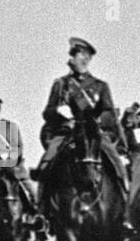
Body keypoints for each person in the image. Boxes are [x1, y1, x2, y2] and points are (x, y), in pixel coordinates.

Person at [33, 37, 129, 204]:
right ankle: (40, 210)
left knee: (116, 162)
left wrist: (97, 119)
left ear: (88, 60)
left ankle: (126, 206)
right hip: (67, 132)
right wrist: (57, 111)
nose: (78, 59)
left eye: (83, 56)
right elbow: (47, 112)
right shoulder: (61, 84)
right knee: (47, 162)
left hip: (93, 132)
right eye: (77, 55)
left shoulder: (100, 86)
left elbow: (109, 112)